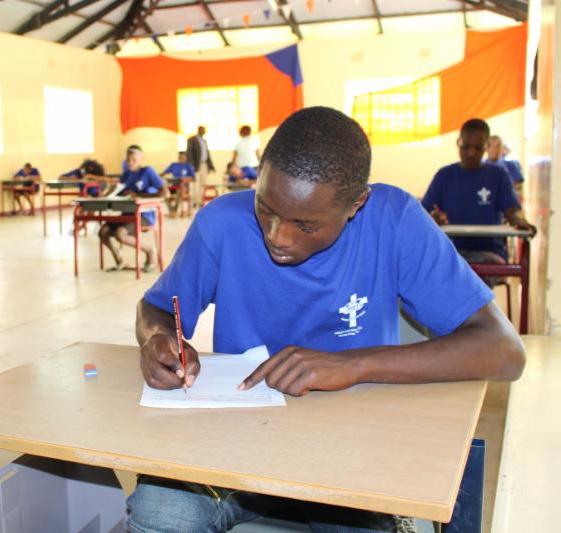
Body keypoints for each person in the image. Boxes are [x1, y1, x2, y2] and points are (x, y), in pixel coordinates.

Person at [132, 107, 525, 533]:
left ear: (357, 204)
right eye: (266, 208)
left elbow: (503, 350)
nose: (277, 236)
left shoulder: (395, 222)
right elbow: (155, 309)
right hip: (236, 444)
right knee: (157, 515)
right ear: (259, 173)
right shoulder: (222, 222)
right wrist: (158, 340)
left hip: (353, 451)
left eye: (305, 225)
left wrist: (353, 364)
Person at [422, 119, 535, 274]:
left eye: (478, 147)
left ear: (487, 146)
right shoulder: (444, 176)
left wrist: (520, 221)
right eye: (466, 146)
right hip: (451, 251)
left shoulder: (498, 175)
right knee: (441, 273)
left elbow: (511, 210)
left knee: (467, 281)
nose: (471, 153)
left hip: (490, 253)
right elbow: (423, 213)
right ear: (458, 143)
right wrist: (432, 219)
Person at [99, 147, 164, 273]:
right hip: (127, 213)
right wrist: (108, 193)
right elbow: (119, 190)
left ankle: (149, 251)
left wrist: (140, 196)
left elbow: (164, 193)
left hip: (144, 214)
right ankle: (119, 261)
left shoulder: (147, 171)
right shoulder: (126, 174)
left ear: (141, 158)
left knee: (120, 233)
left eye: (134, 159)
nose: (130, 163)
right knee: (103, 231)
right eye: (128, 160)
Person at [186, 126, 215, 206]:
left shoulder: (204, 141)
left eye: (204, 130)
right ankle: (194, 202)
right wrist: (191, 167)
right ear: (198, 130)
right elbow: (189, 153)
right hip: (196, 165)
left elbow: (207, 154)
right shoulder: (192, 140)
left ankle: (200, 201)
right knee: (195, 183)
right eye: (202, 130)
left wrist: (211, 166)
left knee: (203, 183)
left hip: (204, 164)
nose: (203, 131)